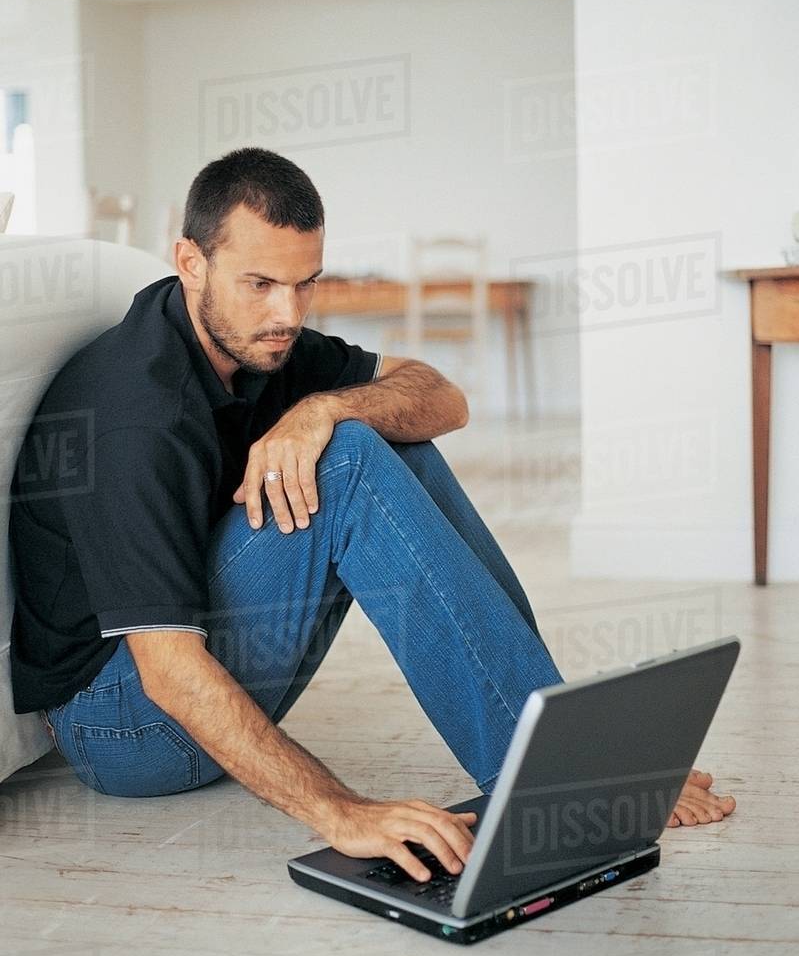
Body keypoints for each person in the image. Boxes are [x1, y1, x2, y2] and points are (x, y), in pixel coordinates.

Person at [9, 148, 735, 885]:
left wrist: (323, 407)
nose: (287, 315)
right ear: (190, 262)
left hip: (176, 686)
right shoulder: (136, 415)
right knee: (349, 459)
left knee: (379, 429)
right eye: (260, 284)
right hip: (122, 727)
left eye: (305, 284)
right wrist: (340, 812)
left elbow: (443, 399)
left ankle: (556, 748)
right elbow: (167, 673)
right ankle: (558, 778)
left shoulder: (258, 341)